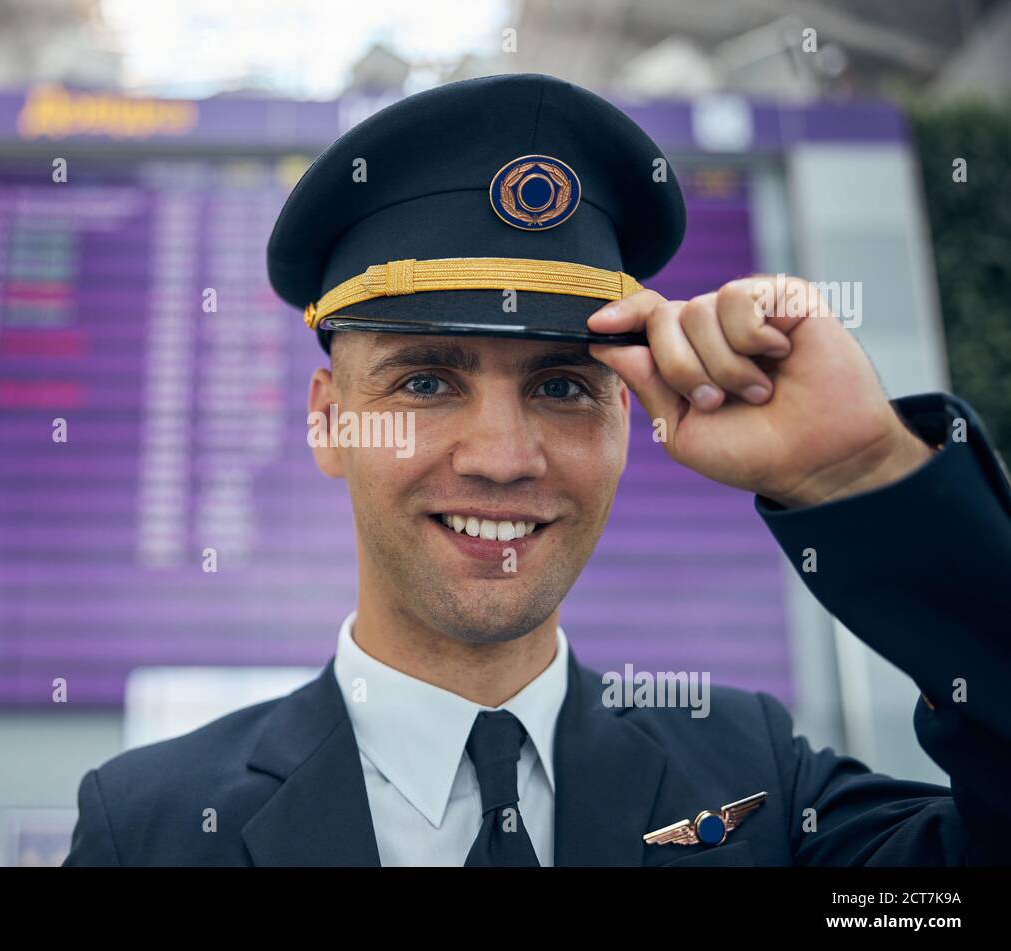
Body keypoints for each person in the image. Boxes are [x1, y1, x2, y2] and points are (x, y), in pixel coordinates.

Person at [64, 73, 1011, 866]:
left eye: (563, 387)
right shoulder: (148, 828)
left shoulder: (762, 784)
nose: (505, 459)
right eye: (427, 380)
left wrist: (861, 476)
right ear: (328, 423)